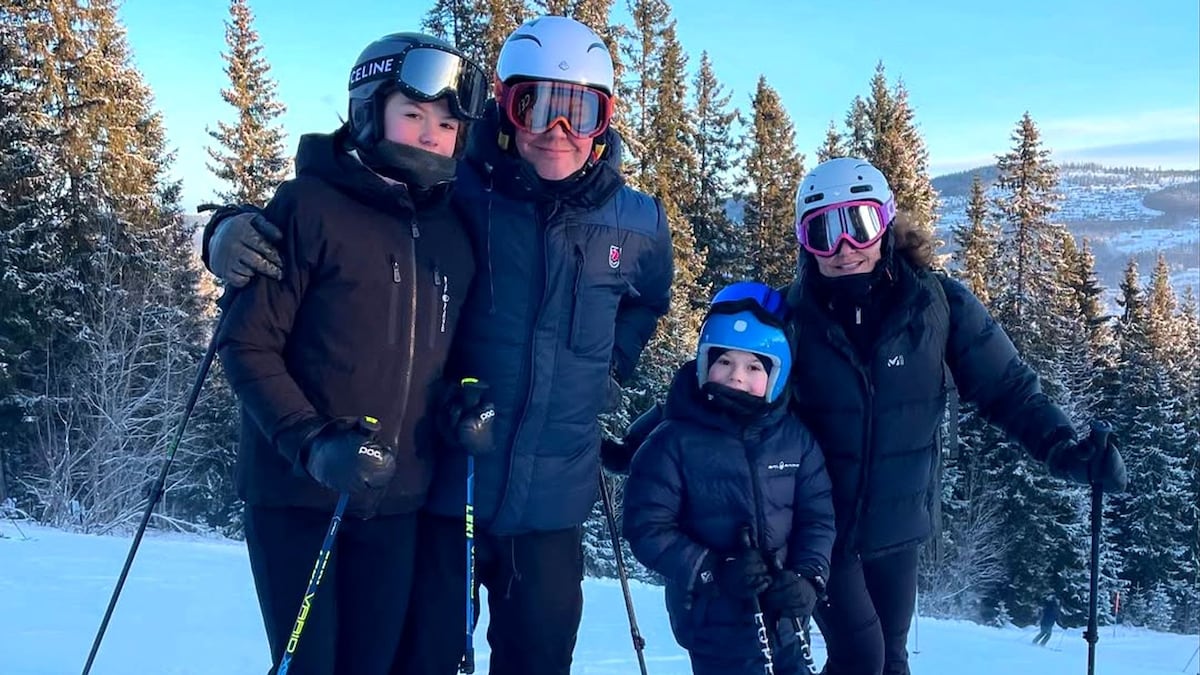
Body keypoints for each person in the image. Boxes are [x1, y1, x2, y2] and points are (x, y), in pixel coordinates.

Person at [203, 16, 674, 675]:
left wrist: (610, 362)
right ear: (505, 110)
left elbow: (651, 296)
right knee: (416, 658)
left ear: (605, 119)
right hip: (445, 489)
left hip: (545, 497)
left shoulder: (636, 221)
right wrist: (224, 229)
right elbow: (357, 196)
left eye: (581, 111)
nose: (557, 130)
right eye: (535, 105)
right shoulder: (460, 192)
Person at [214, 32, 492, 675]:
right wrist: (311, 441)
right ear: (369, 110)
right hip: (298, 495)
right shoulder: (309, 206)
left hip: (396, 500)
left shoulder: (453, 234)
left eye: (447, 124)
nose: (431, 135)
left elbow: (446, 355)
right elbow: (246, 342)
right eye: (414, 114)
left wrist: (463, 402)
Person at [784, 156, 1127, 675]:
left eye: (860, 224)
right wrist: (659, 441)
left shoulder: (937, 306)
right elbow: (721, 389)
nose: (844, 247)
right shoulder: (787, 318)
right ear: (805, 244)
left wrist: (1063, 449)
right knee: (862, 660)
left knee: (890, 660)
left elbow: (1007, 388)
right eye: (822, 233)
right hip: (819, 529)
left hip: (898, 527)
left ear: (887, 224)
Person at [622, 281, 836, 675]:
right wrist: (712, 568)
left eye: (754, 367)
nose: (737, 376)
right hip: (713, 622)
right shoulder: (674, 441)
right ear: (705, 364)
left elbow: (818, 518)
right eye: (724, 361)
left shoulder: (796, 441)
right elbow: (646, 527)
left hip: (785, 619)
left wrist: (808, 578)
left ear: (777, 374)